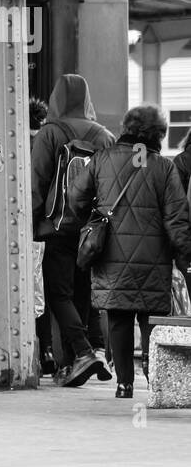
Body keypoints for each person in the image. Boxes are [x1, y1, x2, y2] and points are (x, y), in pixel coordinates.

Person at [69, 104, 191, 397]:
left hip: (112, 253)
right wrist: (185, 253)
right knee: (149, 318)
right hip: (154, 258)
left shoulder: (102, 159)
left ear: (127, 128)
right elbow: (176, 218)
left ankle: (124, 385)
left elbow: (76, 196)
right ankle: (153, 378)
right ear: (158, 134)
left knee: (119, 317)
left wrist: (95, 216)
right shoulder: (164, 167)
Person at [31, 73, 114, 384]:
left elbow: (36, 183)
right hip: (92, 229)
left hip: (57, 227)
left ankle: (82, 353)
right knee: (84, 293)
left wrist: (31, 223)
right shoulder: (105, 136)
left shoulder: (49, 133)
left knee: (58, 293)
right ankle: (85, 358)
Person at [28, 97, 54, 375]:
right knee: (44, 291)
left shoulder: (14, 143)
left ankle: (37, 348)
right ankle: (48, 348)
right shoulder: (49, 142)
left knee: (30, 290)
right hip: (50, 227)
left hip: (26, 226)